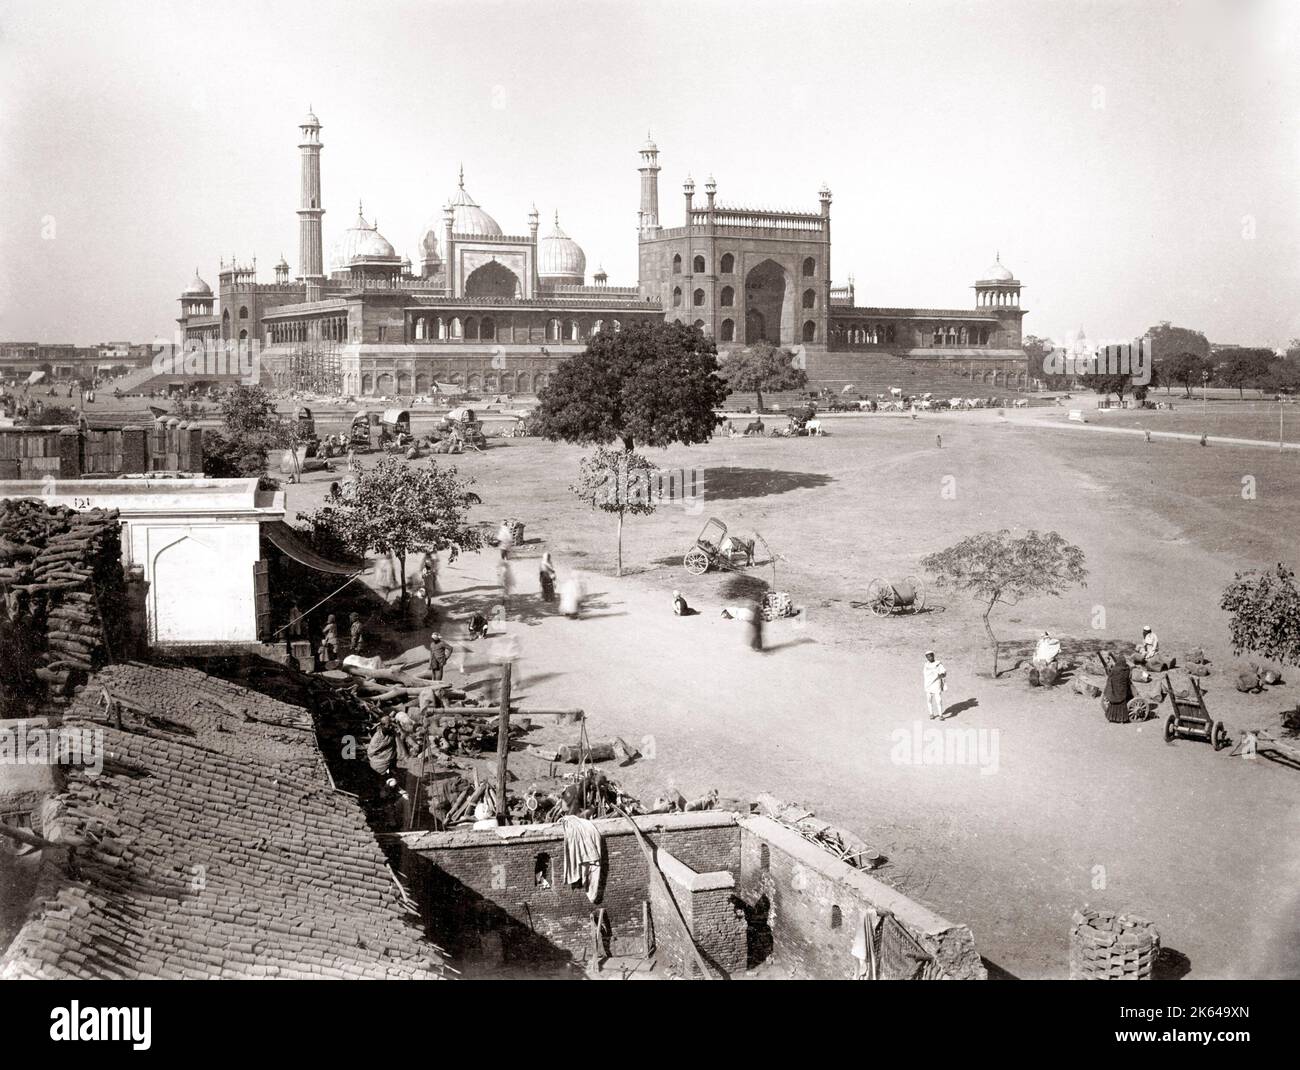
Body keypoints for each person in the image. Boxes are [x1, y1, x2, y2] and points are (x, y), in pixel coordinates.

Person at [1103, 654, 1134, 724]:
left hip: (1114, 692)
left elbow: (1110, 677)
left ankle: (1111, 718)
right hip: (1122, 692)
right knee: (1122, 705)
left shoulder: (1115, 669)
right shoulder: (1127, 669)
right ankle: (1122, 720)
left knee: (1113, 704)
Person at [923, 650, 946, 720]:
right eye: (928, 657)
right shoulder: (926, 665)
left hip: (936, 683)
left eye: (931, 656)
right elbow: (925, 674)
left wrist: (941, 675)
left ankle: (940, 715)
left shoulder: (938, 664)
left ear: (933, 656)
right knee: (929, 699)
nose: (930, 658)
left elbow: (944, 672)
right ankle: (931, 714)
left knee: (938, 699)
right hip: (928, 684)